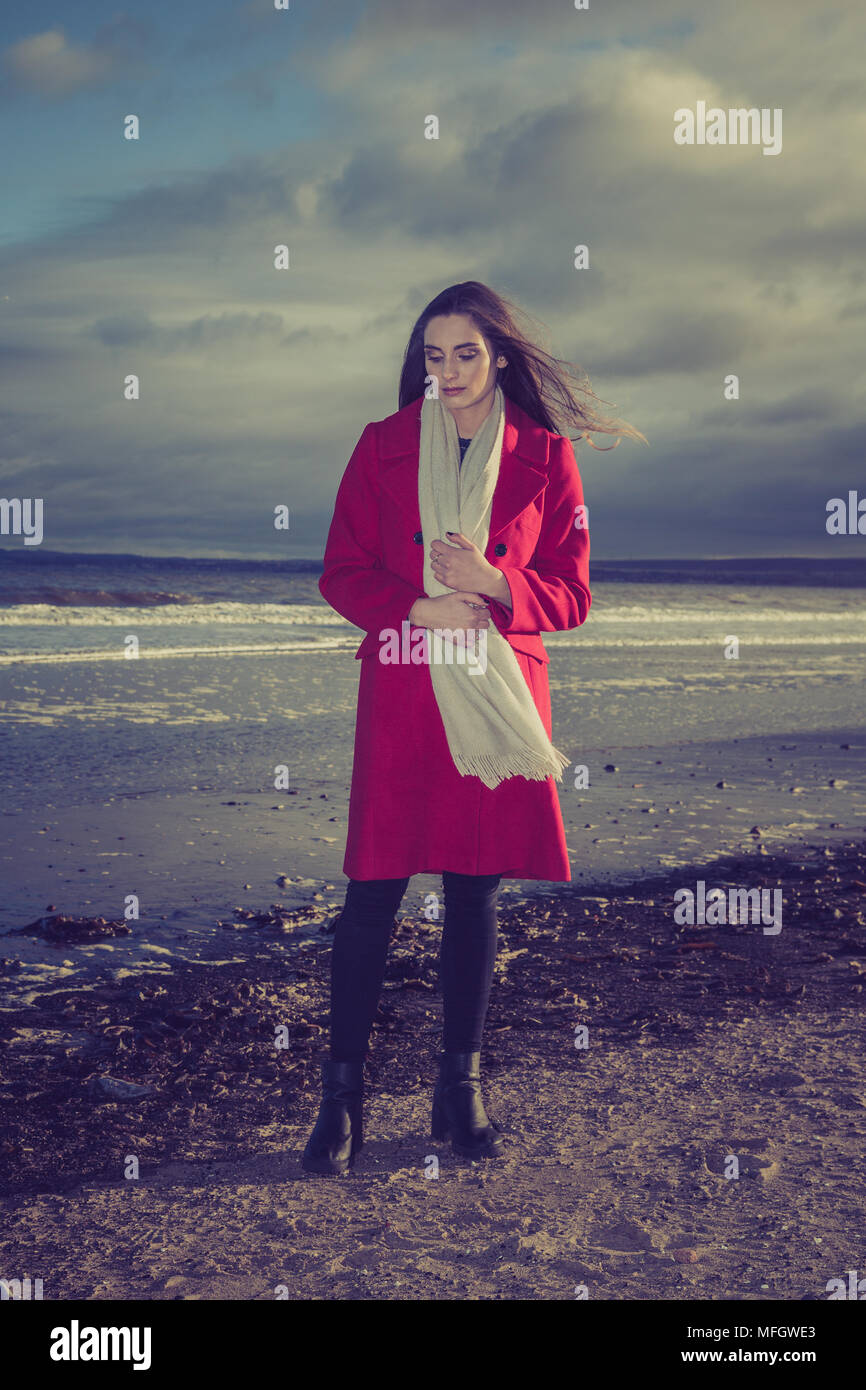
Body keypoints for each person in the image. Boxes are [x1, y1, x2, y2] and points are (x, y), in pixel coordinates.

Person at [302, 280, 645, 1174]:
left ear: (498, 356)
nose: (445, 372)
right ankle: (341, 1101)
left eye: (463, 354)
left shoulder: (545, 454)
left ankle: (461, 1093)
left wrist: (494, 587)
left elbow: (571, 595)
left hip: (498, 695)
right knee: (372, 894)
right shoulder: (380, 446)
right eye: (432, 355)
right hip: (406, 692)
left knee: (474, 892)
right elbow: (340, 572)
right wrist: (418, 603)